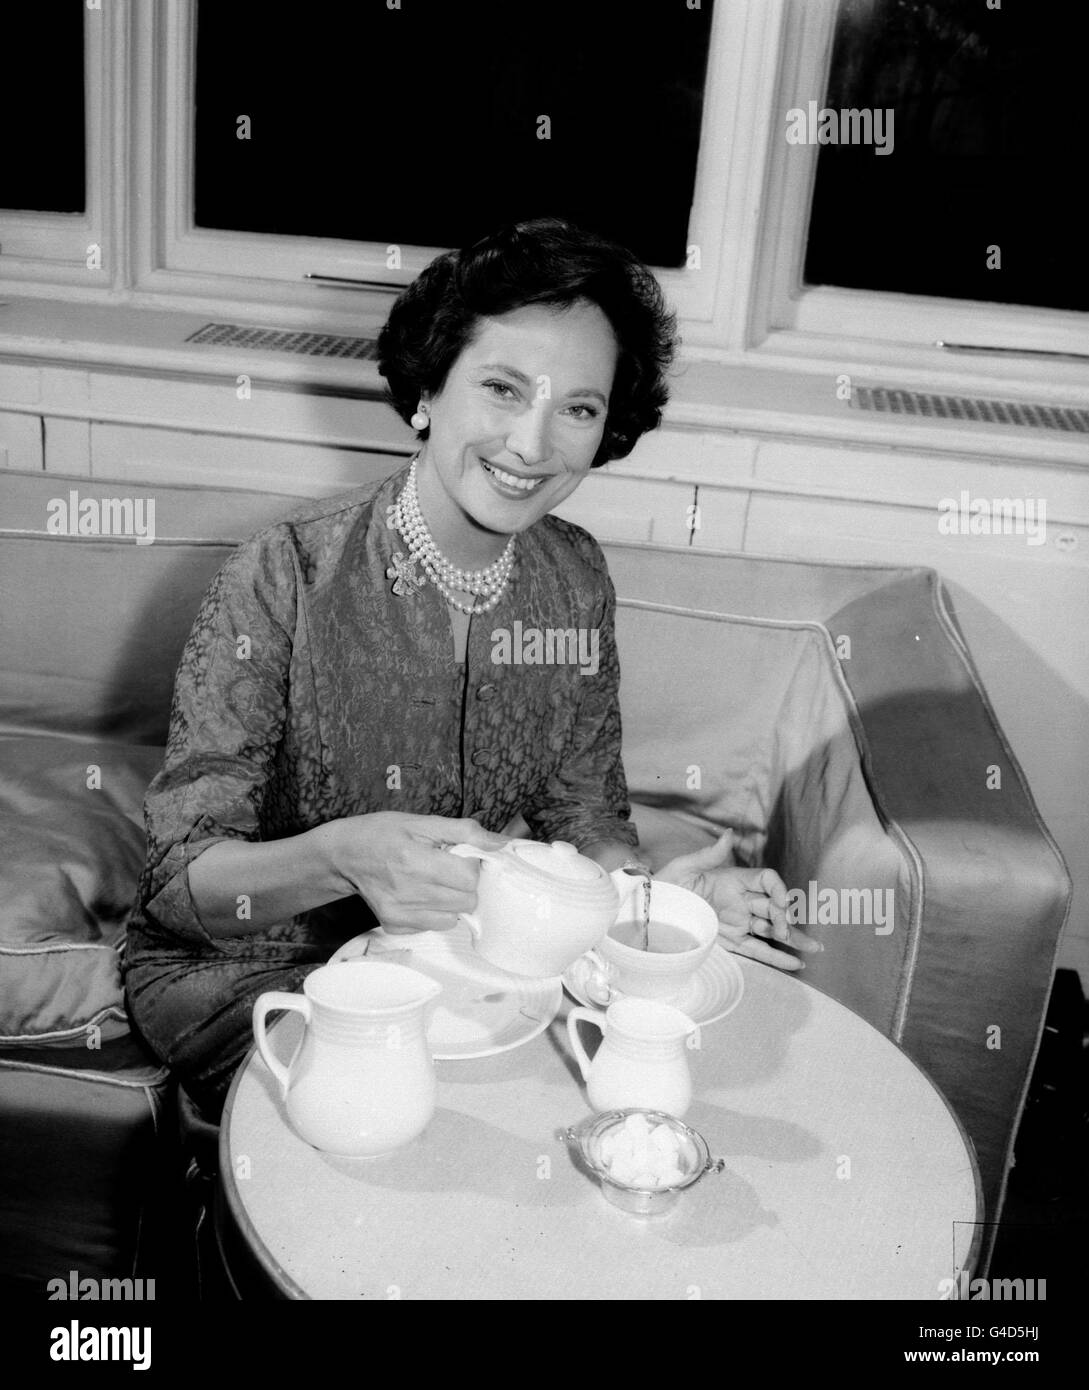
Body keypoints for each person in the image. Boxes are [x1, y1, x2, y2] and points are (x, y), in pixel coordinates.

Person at [124, 218, 815, 1120]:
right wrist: (344, 856)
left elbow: (584, 816)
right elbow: (181, 889)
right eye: (501, 387)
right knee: (391, 1107)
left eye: (577, 406)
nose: (532, 444)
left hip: (462, 964)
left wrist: (661, 907)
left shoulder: (573, 581)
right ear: (426, 389)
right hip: (253, 971)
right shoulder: (282, 577)